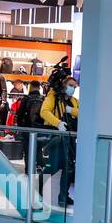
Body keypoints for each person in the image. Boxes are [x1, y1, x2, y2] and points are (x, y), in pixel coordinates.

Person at [38, 61, 78, 208]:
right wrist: (58, 123)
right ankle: (38, 189)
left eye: (75, 86)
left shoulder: (74, 101)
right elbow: (44, 112)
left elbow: (82, 112)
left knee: (68, 167)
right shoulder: (53, 97)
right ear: (64, 85)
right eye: (71, 85)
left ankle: (63, 196)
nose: (72, 88)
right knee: (52, 167)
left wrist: (70, 110)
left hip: (69, 137)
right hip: (55, 136)